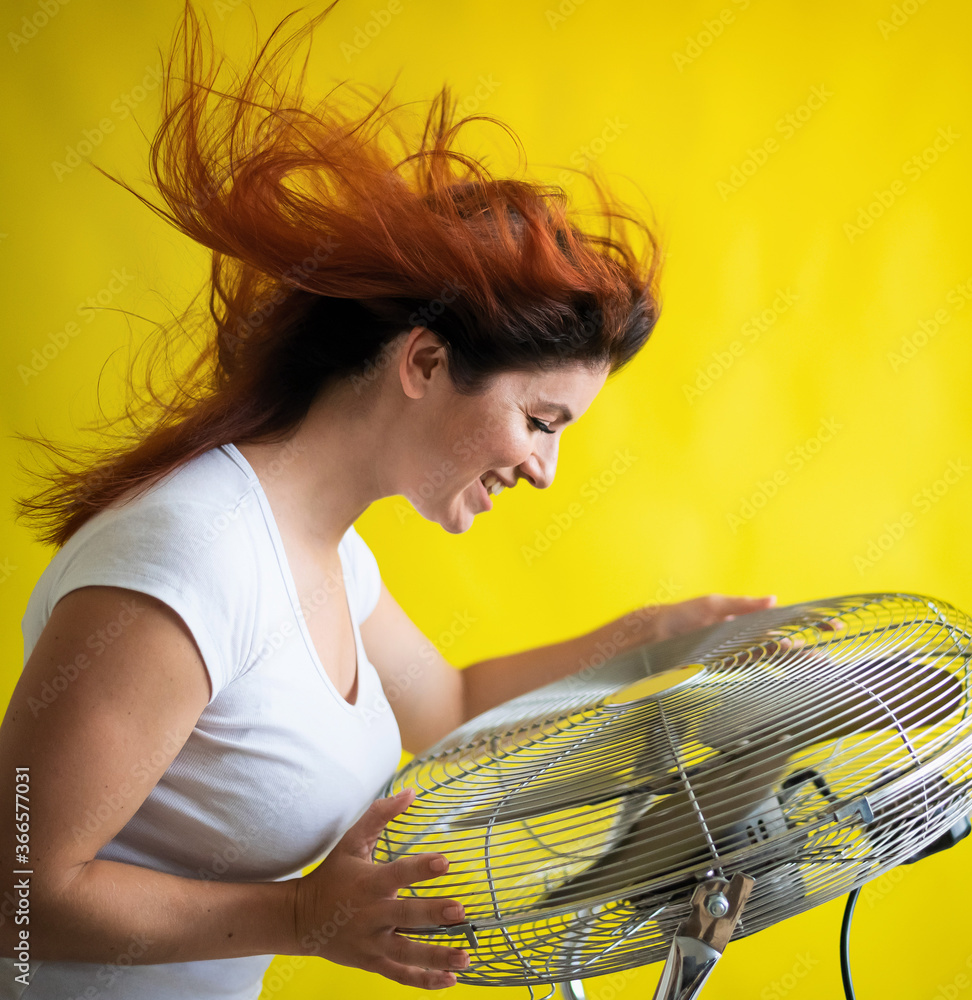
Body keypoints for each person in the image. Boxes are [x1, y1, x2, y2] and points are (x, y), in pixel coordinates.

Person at [0, 2, 775, 997]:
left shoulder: (326, 555)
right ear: (423, 361)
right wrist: (298, 917)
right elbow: (19, 888)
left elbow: (447, 707)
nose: (544, 470)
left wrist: (670, 635)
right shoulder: (193, 556)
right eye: (540, 421)